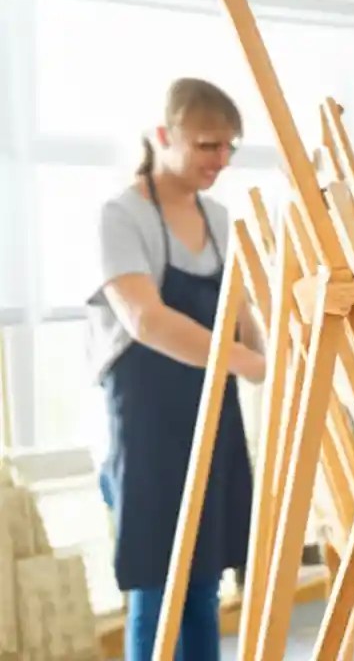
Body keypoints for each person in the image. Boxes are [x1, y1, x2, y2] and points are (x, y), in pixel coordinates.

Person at [89, 78, 263, 659]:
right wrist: (248, 364)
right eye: (208, 145)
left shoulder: (218, 216)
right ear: (164, 136)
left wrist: (272, 361)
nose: (222, 160)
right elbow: (146, 319)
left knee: (205, 579)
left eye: (229, 147)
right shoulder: (121, 215)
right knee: (159, 585)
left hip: (210, 416)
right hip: (147, 424)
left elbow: (241, 313)